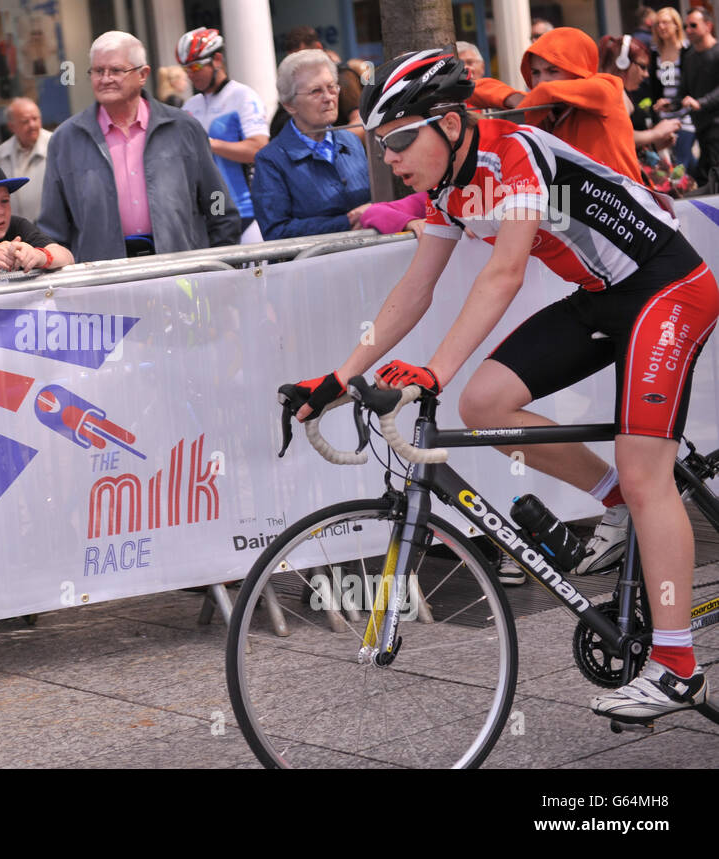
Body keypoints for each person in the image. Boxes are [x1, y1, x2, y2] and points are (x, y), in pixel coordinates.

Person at [293, 47, 717, 721]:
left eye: (401, 139)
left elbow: (505, 275)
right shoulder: (448, 189)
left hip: (668, 287)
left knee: (647, 473)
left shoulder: (512, 151)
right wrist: (341, 373)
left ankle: (676, 663)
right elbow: (416, 288)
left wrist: (433, 368)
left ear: (451, 124)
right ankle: (614, 503)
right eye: (380, 144)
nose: (392, 159)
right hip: (602, 294)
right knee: (484, 404)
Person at [38, 31, 240, 262]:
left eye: (116, 70)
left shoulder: (184, 128)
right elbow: (52, 227)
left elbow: (217, 202)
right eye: (97, 71)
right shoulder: (66, 140)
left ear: (143, 74)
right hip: (102, 282)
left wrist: (217, 262)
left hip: (180, 275)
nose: (105, 79)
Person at [470, 26, 640, 181]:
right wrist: (512, 97)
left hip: (628, 208)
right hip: (572, 205)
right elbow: (473, 89)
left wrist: (527, 103)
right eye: (535, 72)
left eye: (553, 71)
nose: (542, 81)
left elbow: (546, 91)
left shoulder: (606, 86)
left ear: (578, 70)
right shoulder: (542, 104)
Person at [251, 49, 371, 239]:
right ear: (289, 105)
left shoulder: (351, 142)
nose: (329, 97)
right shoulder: (270, 160)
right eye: (316, 91)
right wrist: (346, 222)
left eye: (332, 87)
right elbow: (276, 231)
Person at [175, 27, 270, 243]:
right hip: (210, 212)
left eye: (196, 66)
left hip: (245, 211)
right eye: (186, 69)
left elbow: (259, 149)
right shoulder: (191, 105)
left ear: (217, 59)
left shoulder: (243, 96)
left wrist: (208, 144)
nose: (191, 74)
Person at [595, 34, 682, 161]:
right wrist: (655, 133)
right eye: (642, 66)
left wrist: (653, 144)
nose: (646, 74)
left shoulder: (615, 90)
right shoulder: (613, 92)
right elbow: (620, 138)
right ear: (622, 63)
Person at [646, 6, 696, 172]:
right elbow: (654, 88)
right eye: (658, 23)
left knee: (680, 163)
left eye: (665, 22)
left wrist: (675, 103)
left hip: (686, 114)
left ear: (676, 25)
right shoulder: (655, 53)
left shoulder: (688, 50)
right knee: (676, 161)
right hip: (664, 116)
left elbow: (692, 85)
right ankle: (700, 183)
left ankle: (682, 192)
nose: (661, 27)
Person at [0, 97, 51, 223]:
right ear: (12, 126)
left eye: (35, 119)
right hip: (16, 234)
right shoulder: (0, 154)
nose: (32, 125)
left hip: (52, 232)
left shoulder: (56, 145)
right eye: (25, 121)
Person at [679, 6, 719, 184]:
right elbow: (684, 92)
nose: (688, 30)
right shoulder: (689, 58)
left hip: (716, 127)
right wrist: (670, 104)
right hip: (701, 129)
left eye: (693, 25)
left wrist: (701, 103)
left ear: (708, 26)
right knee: (705, 179)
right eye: (685, 26)